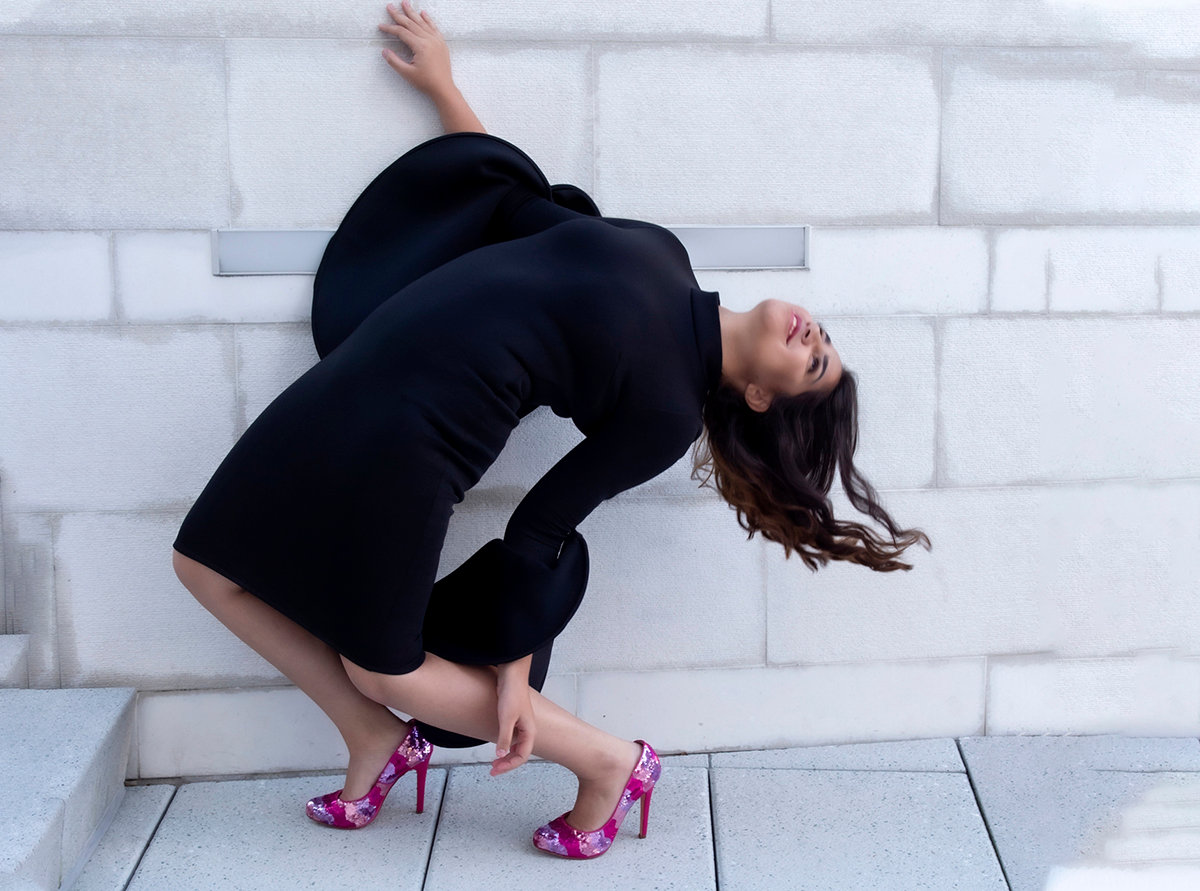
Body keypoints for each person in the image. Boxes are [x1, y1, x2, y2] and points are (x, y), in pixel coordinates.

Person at [171, 0, 929, 860]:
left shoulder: (666, 412)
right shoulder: (661, 253)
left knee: (381, 664)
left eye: (815, 363)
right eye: (825, 337)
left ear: (761, 397)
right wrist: (447, 90)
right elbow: (512, 207)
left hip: (416, 438)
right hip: (361, 373)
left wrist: (518, 669)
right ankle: (376, 739)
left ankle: (606, 758)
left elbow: (543, 526)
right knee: (204, 560)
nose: (814, 337)